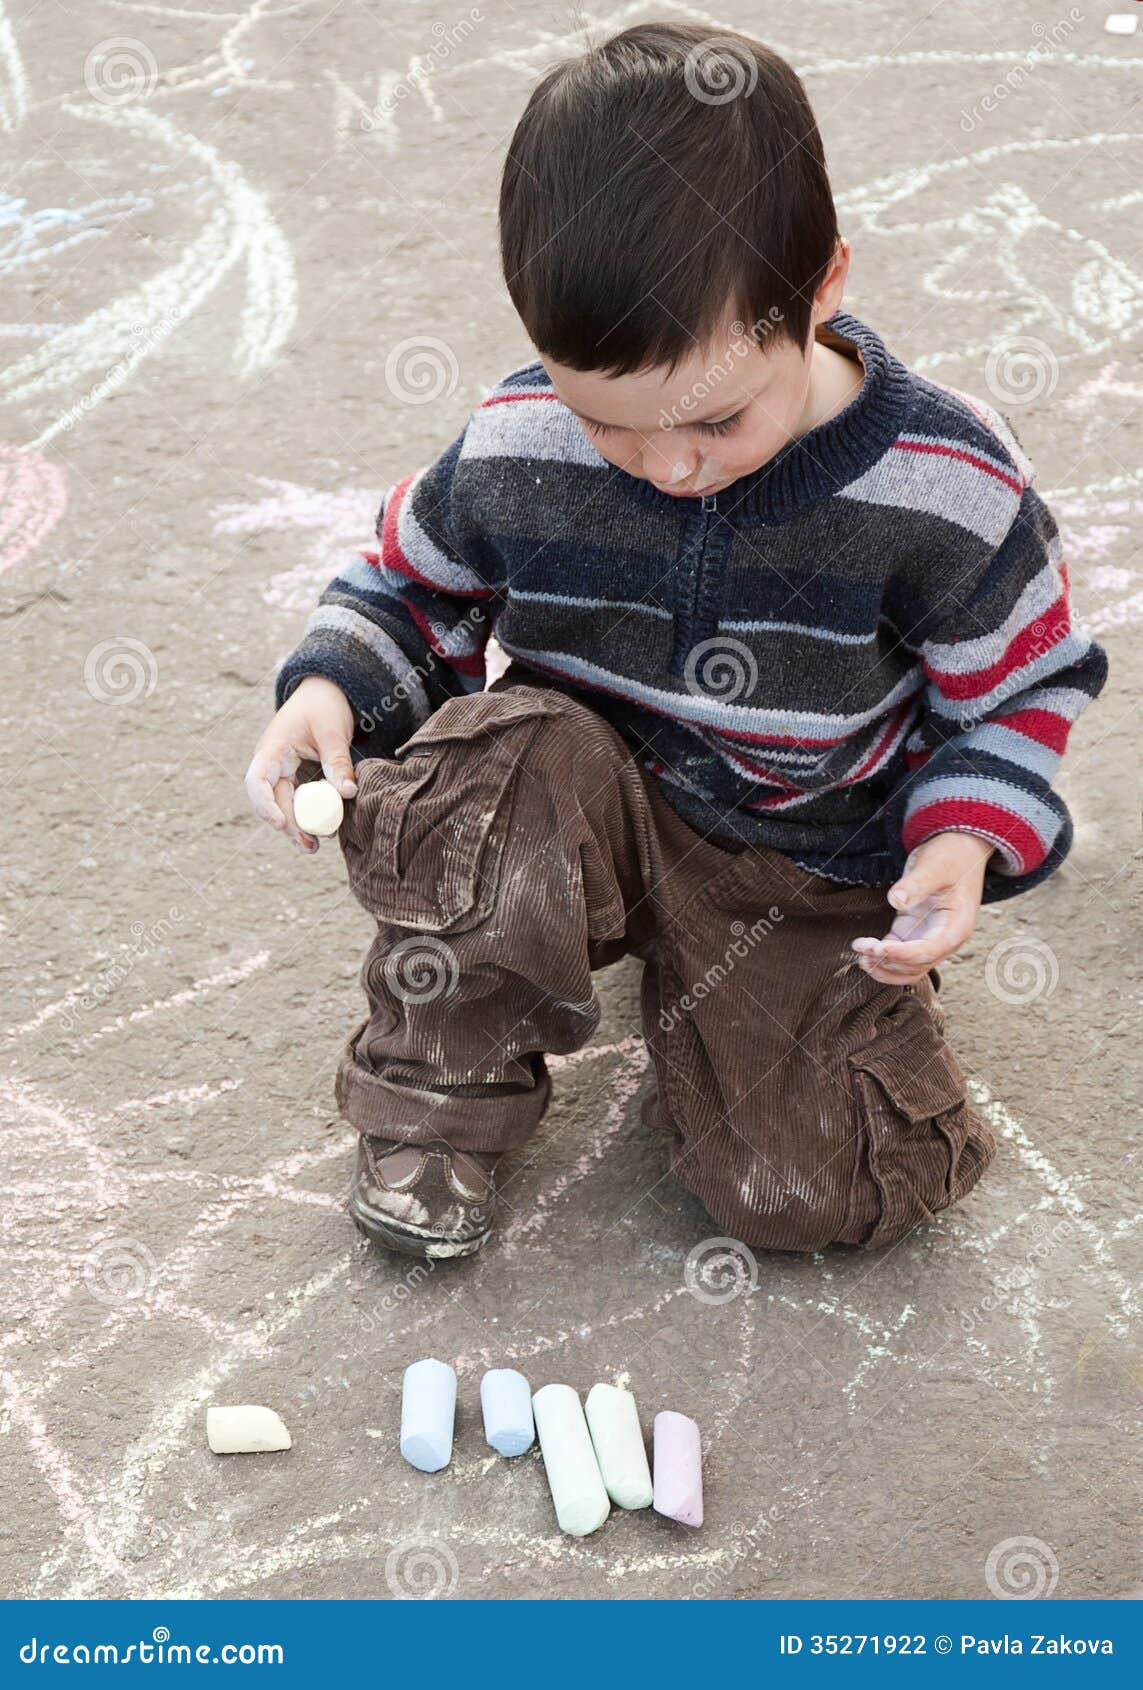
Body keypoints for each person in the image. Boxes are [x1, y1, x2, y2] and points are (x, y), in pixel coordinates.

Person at [246, 23, 1107, 1261]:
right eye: (612, 426)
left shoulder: (947, 485)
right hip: (575, 799)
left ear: (820, 290)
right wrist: (332, 682)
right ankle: (439, 1094)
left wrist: (961, 838)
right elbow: (409, 581)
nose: (670, 464)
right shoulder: (522, 440)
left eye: (715, 417)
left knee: (822, 1191)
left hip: (803, 856)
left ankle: (784, 1021)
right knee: (490, 766)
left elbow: (1018, 690)